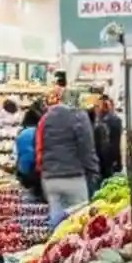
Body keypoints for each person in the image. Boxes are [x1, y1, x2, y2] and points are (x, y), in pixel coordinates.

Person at [38, 89, 100, 228]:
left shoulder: (47, 117)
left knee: (56, 221)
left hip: (49, 178)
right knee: (79, 222)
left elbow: (40, 145)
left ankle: (53, 247)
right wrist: (94, 172)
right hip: (73, 177)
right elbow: (87, 148)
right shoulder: (79, 116)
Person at [96, 95, 124, 179]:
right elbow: (117, 144)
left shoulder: (99, 122)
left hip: (101, 161)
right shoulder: (116, 120)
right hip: (111, 161)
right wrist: (118, 162)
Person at [15, 108, 42, 196]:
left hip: (24, 171)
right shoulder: (42, 132)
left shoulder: (21, 134)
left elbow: (17, 154)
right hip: (39, 170)